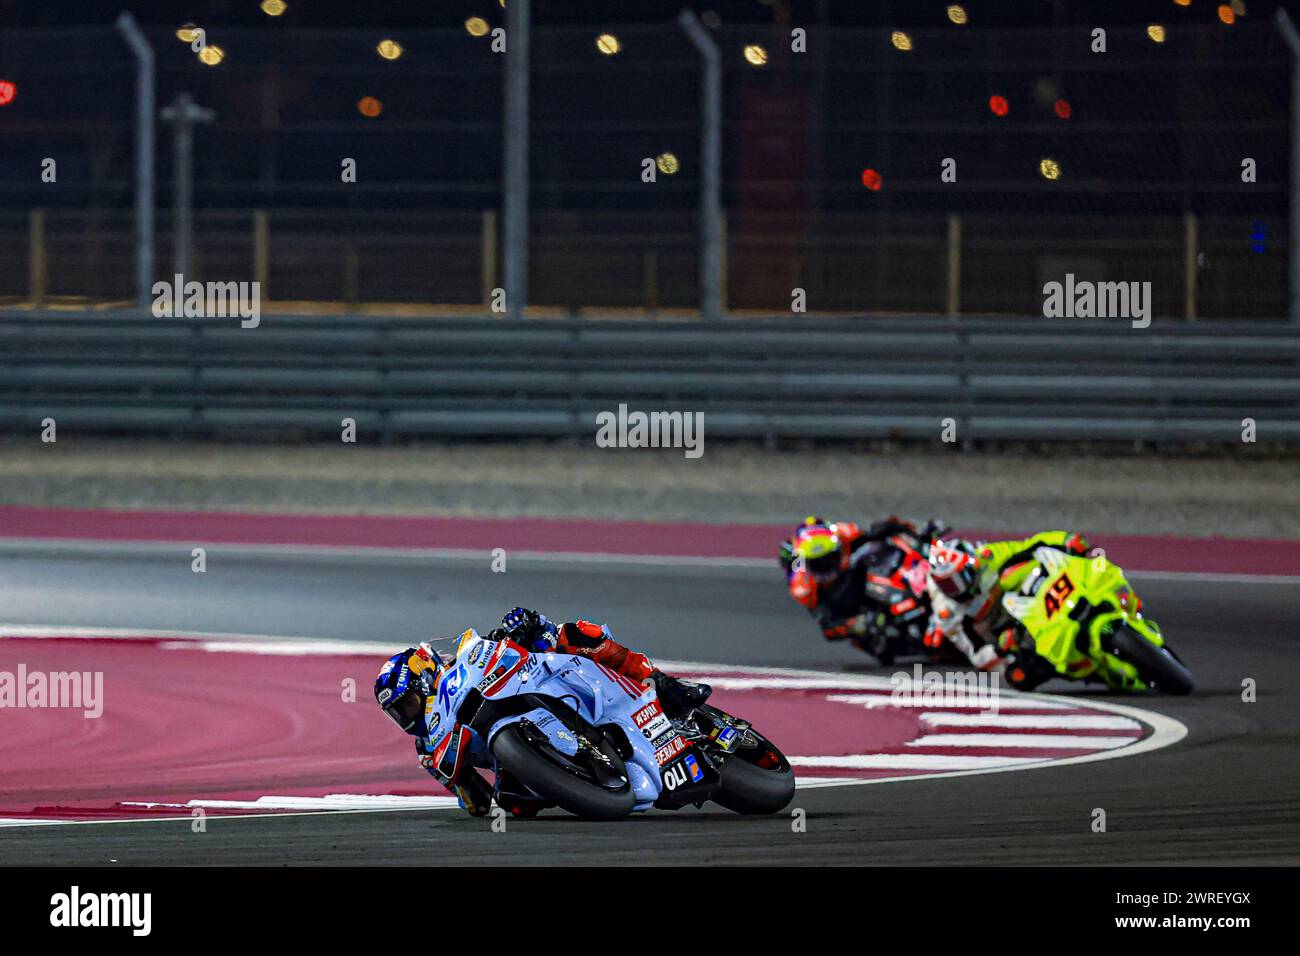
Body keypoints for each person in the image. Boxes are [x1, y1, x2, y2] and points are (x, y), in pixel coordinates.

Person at [373, 607, 710, 817]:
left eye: (407, 704)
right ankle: (579, 777)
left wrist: (521, 626)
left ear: (426, 676)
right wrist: (459, 782)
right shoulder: (429, 750)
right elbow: (475, 803)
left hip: (535, 684)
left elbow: (511, 639)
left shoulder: (463, 661)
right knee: (513, 805)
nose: (406, 717)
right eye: (398, 714)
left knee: (569, 633)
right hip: (519, 763)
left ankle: (664, 684)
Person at [924, 531, 1091, 687]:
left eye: (959, 578)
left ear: (971, 565)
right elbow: (975, 656)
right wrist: (999, 648)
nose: (955, 589)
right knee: (1018, 676)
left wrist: (1065, 541)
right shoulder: (946, 611)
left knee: (1015, 571)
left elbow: (1031, 545)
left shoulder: (987, 556)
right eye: (946, 584)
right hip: (1009, 632)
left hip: (1029, 595)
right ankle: (1061, 666)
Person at [778, 514, 947, 662]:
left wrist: (912, 530)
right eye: (817, 564)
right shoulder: (802, 586)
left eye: (829, 559)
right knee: (877, 646)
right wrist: (856, 624)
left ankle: (929, 552)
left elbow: (881, 529)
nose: (825, 567)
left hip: (858, 573)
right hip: (850, 607)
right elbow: (828, 628)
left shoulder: (846, 533)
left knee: (890, 536)